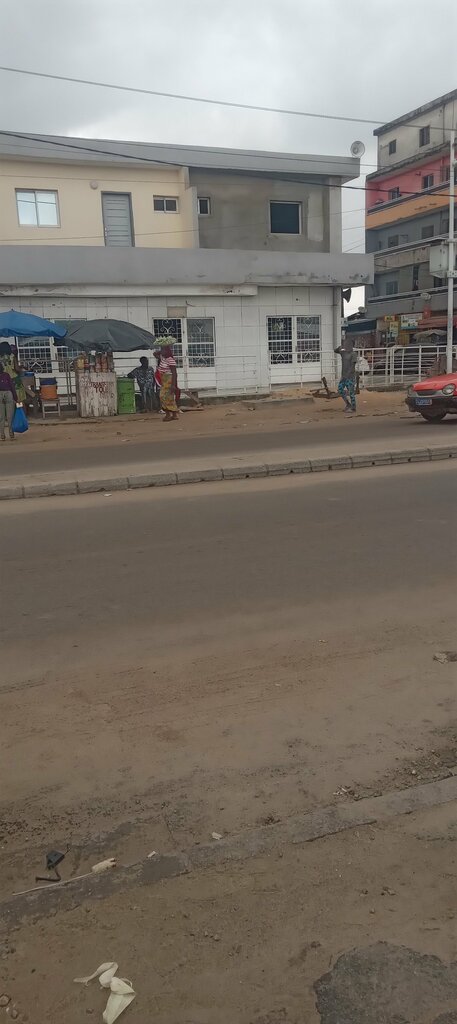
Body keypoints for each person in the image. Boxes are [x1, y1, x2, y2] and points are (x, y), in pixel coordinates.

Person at [334, 338, 358, 413]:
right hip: (344, 376)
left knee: (351, 392)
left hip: (350, 377)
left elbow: (352, 366)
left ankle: (353, 407)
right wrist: (340, 347)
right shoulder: (343, 352)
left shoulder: (353, 354)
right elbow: (335, 350)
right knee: (340, 390)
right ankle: (348, 404)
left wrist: (347, 375)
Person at [157, 344, 179, 421]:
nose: (162, 351)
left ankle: (168, 414)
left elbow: (174, 373)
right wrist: (161, 350)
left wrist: (173, 385)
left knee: (163, 396)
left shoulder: (170, 360)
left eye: (164, 350)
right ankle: (174, 415)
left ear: (167, 351)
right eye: (161, 350)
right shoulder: (163, 358)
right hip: (164, 380)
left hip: (169, 380)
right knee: (169, 397)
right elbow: (155, 354)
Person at [0, 361, 18, 440]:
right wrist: (15, 398)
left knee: (1, 417)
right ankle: (11, 434)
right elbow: (12, 386)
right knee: (10, 416)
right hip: (8, 393)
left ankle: (2, 435)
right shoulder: (6, 375)